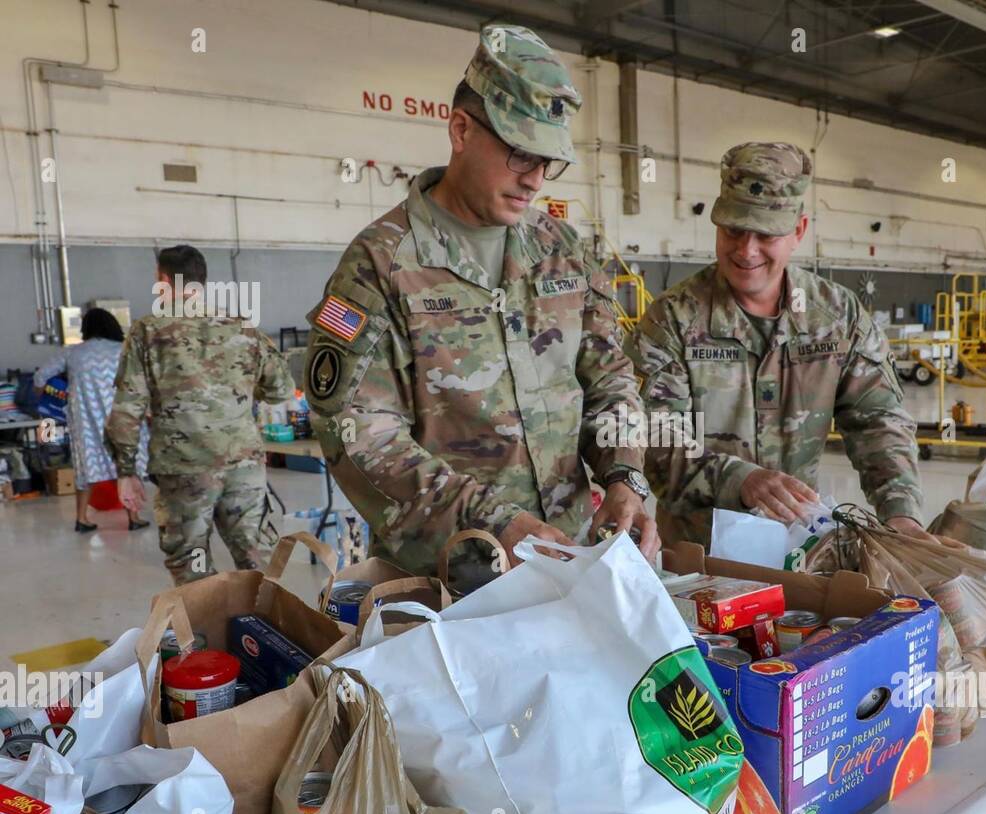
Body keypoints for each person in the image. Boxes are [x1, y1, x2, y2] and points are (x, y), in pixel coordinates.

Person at [302, 25, 657, 593]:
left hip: (568, 558)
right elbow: (360, 434)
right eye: (521, 153)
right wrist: (492, 520)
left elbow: (609, 380)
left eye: (549, 162)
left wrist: (625, 475)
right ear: (461, 128)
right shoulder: (381, 264)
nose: (536, 179)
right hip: (443, 578)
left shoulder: (563, 250)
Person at [627, 142, 926, 548]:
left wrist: (901, 511)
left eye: (766, 233)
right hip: (699, 557)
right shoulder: (674, 319)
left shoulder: (837, 317)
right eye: (733, 229)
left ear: (798, 231)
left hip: (799, 547)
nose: (746, 250)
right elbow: (648, 438)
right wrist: (740, 479)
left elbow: (879, 420)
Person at [105, 245, 295, 583]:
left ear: (163, 279)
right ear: (201, 281)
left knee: (192, 567)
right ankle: (268, 632)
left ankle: (207, 634)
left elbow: (127, 410)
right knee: (258, 562)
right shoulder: (244, 328)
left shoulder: (147, 332)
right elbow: (282, 390)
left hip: (183, 470)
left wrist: (125, 471)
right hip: (244, 467)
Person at [34, 308, 149, 532]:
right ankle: (133, 517)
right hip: (121, 417)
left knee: (86, 467)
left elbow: (40, 376)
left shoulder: (73, 353)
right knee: (127, 464)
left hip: (85, 420)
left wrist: (44, 394)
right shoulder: (124, 350)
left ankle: (82, 518)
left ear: (85, 329)